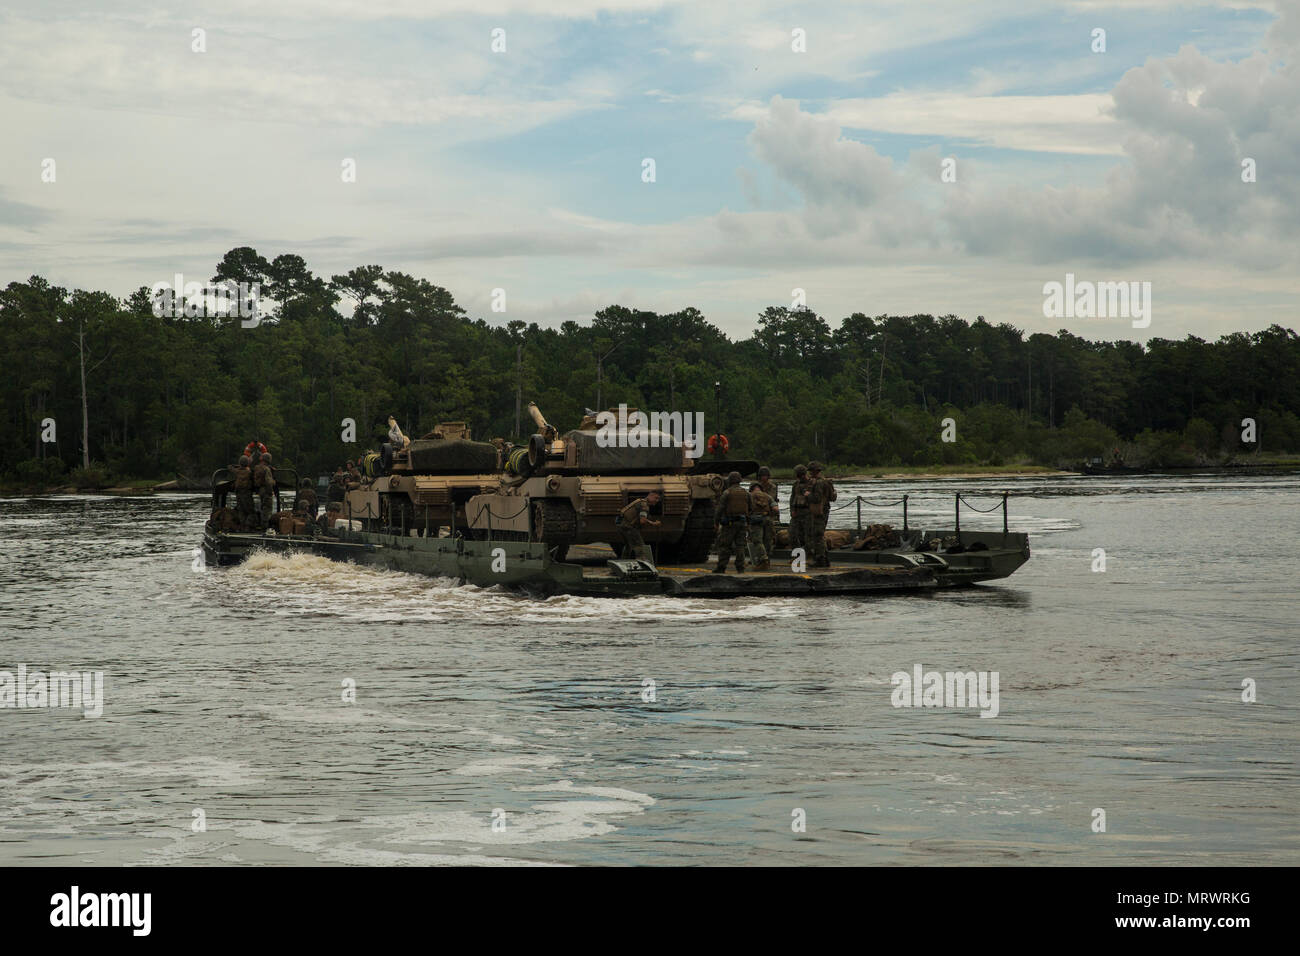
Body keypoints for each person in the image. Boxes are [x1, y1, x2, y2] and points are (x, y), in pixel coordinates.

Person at [713, 471, 754, 573]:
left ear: (730, 481)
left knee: (725, 546)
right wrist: (748, 523)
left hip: (729, 523)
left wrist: (716, 522)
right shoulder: (746, 493)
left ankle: (721, 567)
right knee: (740, 546)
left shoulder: (727, 493)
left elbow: (720, 509)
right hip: (742, 522)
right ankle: (740, 568)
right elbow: (751, 509)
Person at [617, 490, 661, 561]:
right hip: (629, 526)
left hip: (622, 525)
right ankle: (641, 559)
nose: (657, 501)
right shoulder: (644, 505)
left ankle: (623, 561)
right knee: (639, 544)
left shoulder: (640, 501)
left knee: (628, 545)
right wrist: (653, 523)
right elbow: (642, 521)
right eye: (656, 498)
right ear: (650, 496)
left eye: (658, 499)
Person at [807, 461, 836, 568]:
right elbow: (833, 497)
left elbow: (817, 498)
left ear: (814, 471)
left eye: (810, 471)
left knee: (817, 535)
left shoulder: (818, 483)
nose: (809, 473)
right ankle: (825, 558)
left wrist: (808, 495)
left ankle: (820, 559)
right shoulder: (827, 482)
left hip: (819, 511)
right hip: (825, 509)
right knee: (820, 534)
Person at [747, 483, 772, 570]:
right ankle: (767, 560)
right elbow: (776, 509)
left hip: (755, 520)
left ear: (751, 489)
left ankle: (763, 561)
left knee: (757, 541)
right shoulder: (768, 496)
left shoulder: (749, 496)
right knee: (767, 540)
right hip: (767, 519)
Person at [756, 466, 779, 558]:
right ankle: (759, 555)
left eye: (765, 475)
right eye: (762, 476)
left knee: (768, 536)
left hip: (769, 514)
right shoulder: (756, 486)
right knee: (757, 537)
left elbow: (770, 499)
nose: (763, 478)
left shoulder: (772, 487)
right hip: (757, 514)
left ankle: (768, 554)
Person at [788, 464, 812, 557]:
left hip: (807, 512)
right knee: (792, 534)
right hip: (797, 512)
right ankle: (797, 555)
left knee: (808, 536)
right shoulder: (796, 484)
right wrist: (792, 510)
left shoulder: (812, 483)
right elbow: (792, 498)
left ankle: (807, 555)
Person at [253, 452, 276, 526]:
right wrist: (271, 491)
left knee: (263, 507)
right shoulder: (266, 469)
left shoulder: (257, 467)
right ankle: (265, 526)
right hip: (266, 490)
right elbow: (268, 482)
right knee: (267, 509)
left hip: (260, 490)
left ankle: (260, 524)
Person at [232, 455, 255, 530]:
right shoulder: (249, 472)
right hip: (247, 494)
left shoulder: (237, 471)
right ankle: (248, 526)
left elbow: (229, 467)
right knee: (251, 512)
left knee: (241, 511)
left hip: (238, 494)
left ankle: (242, 525)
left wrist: (238, 466)